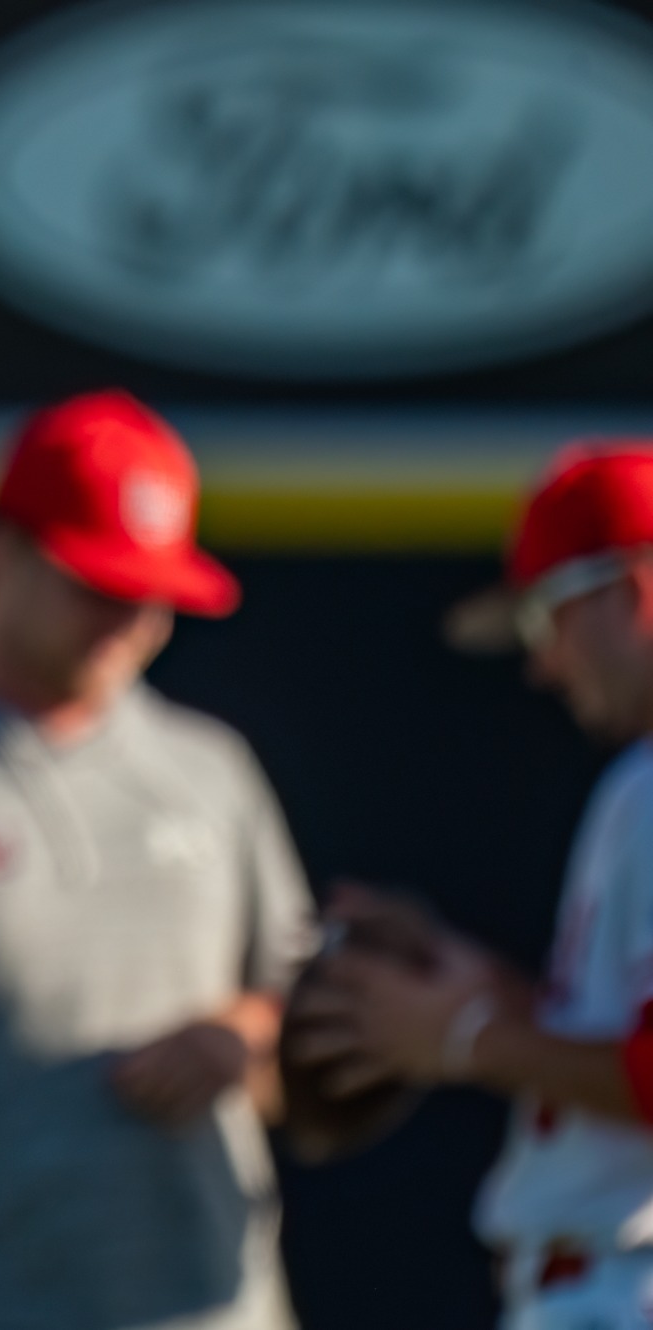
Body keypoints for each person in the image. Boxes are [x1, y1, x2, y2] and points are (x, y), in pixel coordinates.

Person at [0, 392, 314, 1330]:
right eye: (96, 584)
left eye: (151, 593)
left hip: (211, 1302)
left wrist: (245, 1034)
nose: (130, 618)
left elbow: (303, 1005)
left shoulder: (210, 769)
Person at [288, 444, 653, 1329]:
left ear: (634, 592)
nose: (543, 665)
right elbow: (617, 1038)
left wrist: (466, 1039)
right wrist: (478, 988)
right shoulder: (633, 784)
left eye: (547, 621)